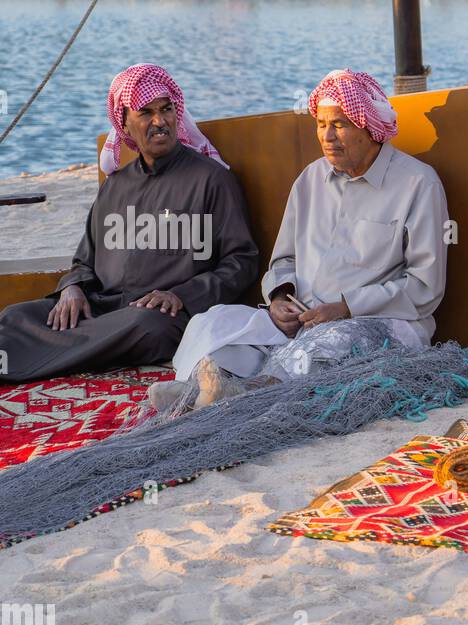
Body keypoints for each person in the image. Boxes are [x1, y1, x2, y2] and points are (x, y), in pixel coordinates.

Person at [0, 64, 258, 398]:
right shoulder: (116, 185)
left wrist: (181, 295)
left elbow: (241, 261)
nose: (161, 122)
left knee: (147, 328)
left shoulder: (211, 179)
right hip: (102, 305)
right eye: (147, 113)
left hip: (163, 314)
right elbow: (84, 260)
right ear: (124, 122)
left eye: (167, 110)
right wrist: (72, 289)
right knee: (17, 315)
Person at [151, 69, 449, 410]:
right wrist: (280, 298)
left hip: (378, 322)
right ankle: (194, 389)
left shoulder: (418, 184)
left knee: (331, 343)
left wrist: (346, 308)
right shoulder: (310, 180)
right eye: (321, 124)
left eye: (339, 124)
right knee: (212, 323)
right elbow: (283, 261)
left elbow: (425, 287)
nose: (328, 137)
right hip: (302, 320)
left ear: (368, 127)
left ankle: (246, 395)